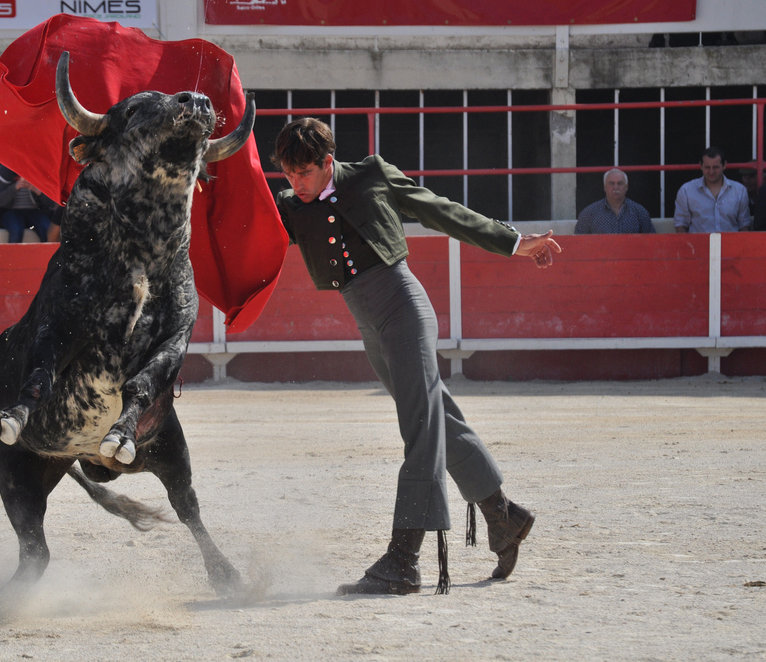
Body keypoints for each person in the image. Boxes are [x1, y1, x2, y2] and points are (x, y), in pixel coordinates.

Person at [271, 118, 561, 596]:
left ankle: (403, 560)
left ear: (328, 163)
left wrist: (514, 243)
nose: (296, 184)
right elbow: (245, 226)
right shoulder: (290, 206)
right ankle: (501, 516)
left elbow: (441, 211)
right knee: (438, 418)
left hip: (404, 311)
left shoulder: (370, 175)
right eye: (288, 174)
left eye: (304, 173)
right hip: (371, 326)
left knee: (422, 429)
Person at [674, 148, 751, 233]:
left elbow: (744, 226)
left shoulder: (740, 191)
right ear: (701, 166)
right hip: (698, 245)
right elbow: (680, 225)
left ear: (724, 165)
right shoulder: (686, 191)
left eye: (715, 167)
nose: (711, 172)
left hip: (731, 245)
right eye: (707, 167)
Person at [0, 164, 62, 243]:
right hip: (10, 212)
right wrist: (15, 187)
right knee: (16, 229)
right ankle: (13, 255)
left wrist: (38, 191)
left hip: (36, 212)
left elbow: (52, 204)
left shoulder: (40, 170)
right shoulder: (5, 171)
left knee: (46, 229)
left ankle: (48, 255)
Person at [575, 169, 656, 234]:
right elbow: (578, 245)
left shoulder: (640, 213)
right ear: (605, 187)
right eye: (611, 183)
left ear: (626, 187)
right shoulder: (588, 214)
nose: (616, 187)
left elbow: (652, 243)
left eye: (620, 183)